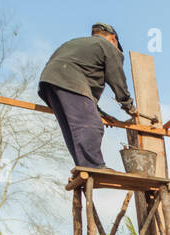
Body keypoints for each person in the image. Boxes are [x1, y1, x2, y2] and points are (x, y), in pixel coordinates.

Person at [38, 23, 135, 170]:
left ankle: (84, 165)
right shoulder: (107, 46)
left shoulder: (78, 44)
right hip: (68, 80)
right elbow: (117, 78)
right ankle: (93, 165)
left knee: (72, 129)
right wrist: (128, 105)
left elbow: (83, 98)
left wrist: (99, 112)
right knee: (92, 125)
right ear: (113, 38)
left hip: (49, 83)